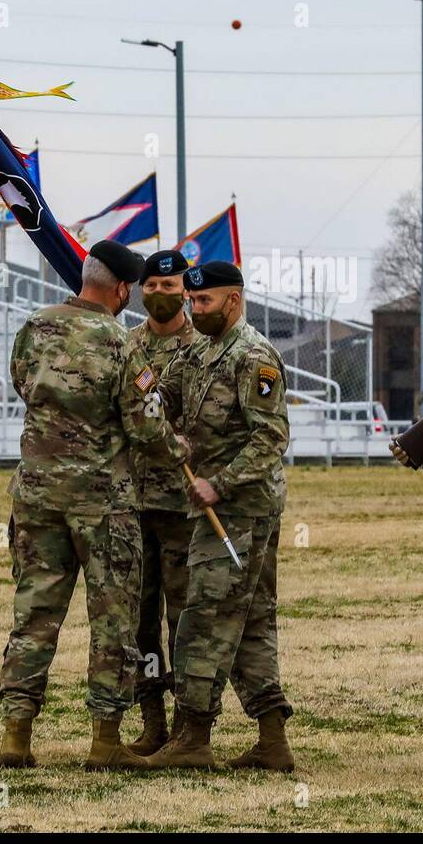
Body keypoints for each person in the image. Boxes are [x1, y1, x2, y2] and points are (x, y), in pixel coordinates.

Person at [0, 240, 188, 771]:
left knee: (34, 614)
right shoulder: (124, 345)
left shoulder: (35, 328)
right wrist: (180, 449)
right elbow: (145, 426)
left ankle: (17, 733)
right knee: (113, 621)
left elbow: (22, 384)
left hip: (36, 495)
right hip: (103, 504)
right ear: (124, 289)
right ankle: (105, 739)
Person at [144, 261, 294, 772]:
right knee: (249, 620)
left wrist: (220, 482)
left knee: (205, 618)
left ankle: (193, 737)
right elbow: (163, 395)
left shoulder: (253, 356)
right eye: (192, 300)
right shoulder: (199, 351)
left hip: (240, 511)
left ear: (232, 300)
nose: (194, 308)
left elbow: (271, 438)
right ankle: (273, 741)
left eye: (203, 301)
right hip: (218, 508)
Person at [125, 249, 198, 756]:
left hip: (182, 506)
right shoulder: (125, 346)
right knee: (140, 621)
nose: (158, 294)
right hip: (131, 501)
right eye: (150, 285)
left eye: (168, 286)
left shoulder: (205, 349)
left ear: (184, 293)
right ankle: (151, 716)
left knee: (185, 618)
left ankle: (186, 724)